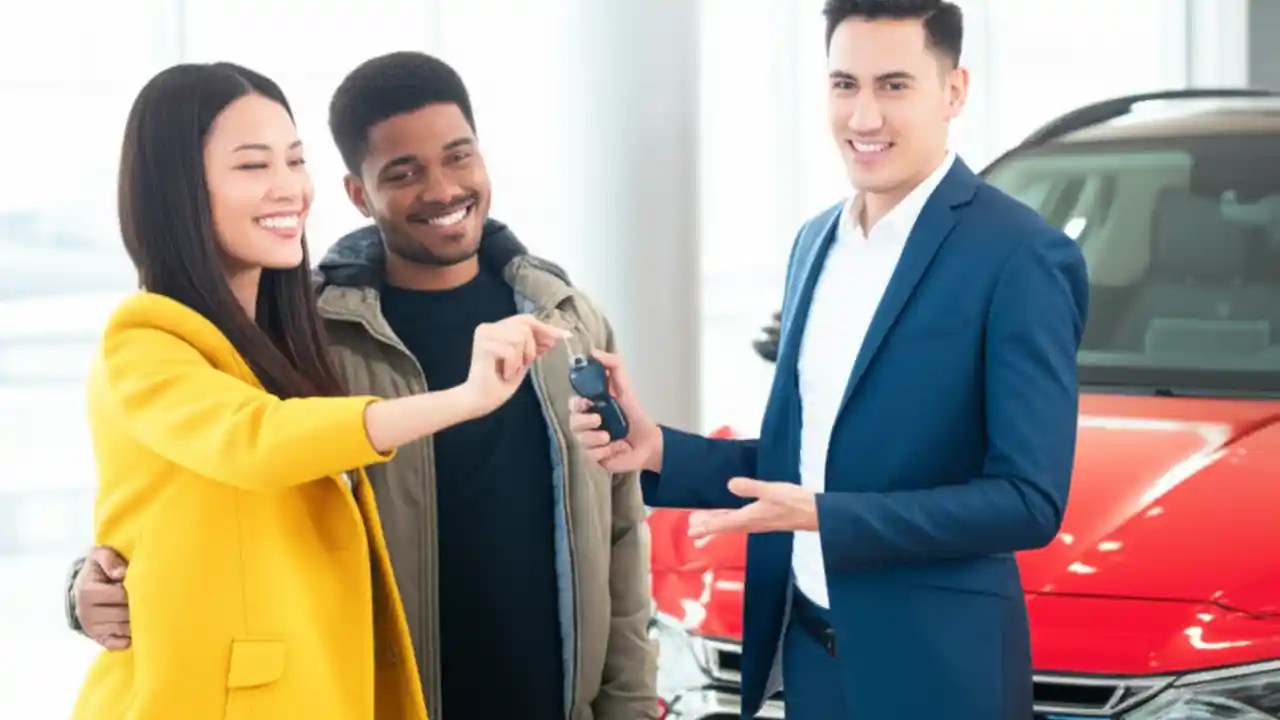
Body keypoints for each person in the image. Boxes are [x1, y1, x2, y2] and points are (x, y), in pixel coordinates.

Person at [69, 52, 658, 720]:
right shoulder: (308, 337)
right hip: (384, 696)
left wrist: (630, 701)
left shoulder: (564, 320)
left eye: (294, 161)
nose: (440, 189)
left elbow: (620, 523)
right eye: (404, 172)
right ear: (360, 191)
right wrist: (86, 585)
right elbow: (233, 458)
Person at [570, 1, 1089, 718]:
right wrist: (658, 449)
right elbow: (802, 459)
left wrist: (828, 517)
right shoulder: (815, 243)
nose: (864, 117)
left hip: (938, 674)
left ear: (955, 91)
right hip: (811, 659)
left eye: (894, 85)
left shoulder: (1020, 256)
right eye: (845, 85)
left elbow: (1028, 502)